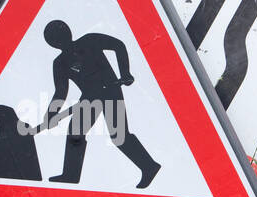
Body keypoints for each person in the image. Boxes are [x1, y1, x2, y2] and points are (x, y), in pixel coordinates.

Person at [28, 20, 161, 188]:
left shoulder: (89, 40)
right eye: (56, 38)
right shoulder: (60, 63)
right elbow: (60, 92)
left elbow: (118, 45)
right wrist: (51, 115)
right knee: (75, 132)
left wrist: (125, 72)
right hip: (89, 98)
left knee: (119, 136)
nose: (60, 40)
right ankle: (70, 175)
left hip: (110, 91)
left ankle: (149, 166)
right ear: (52, 43)